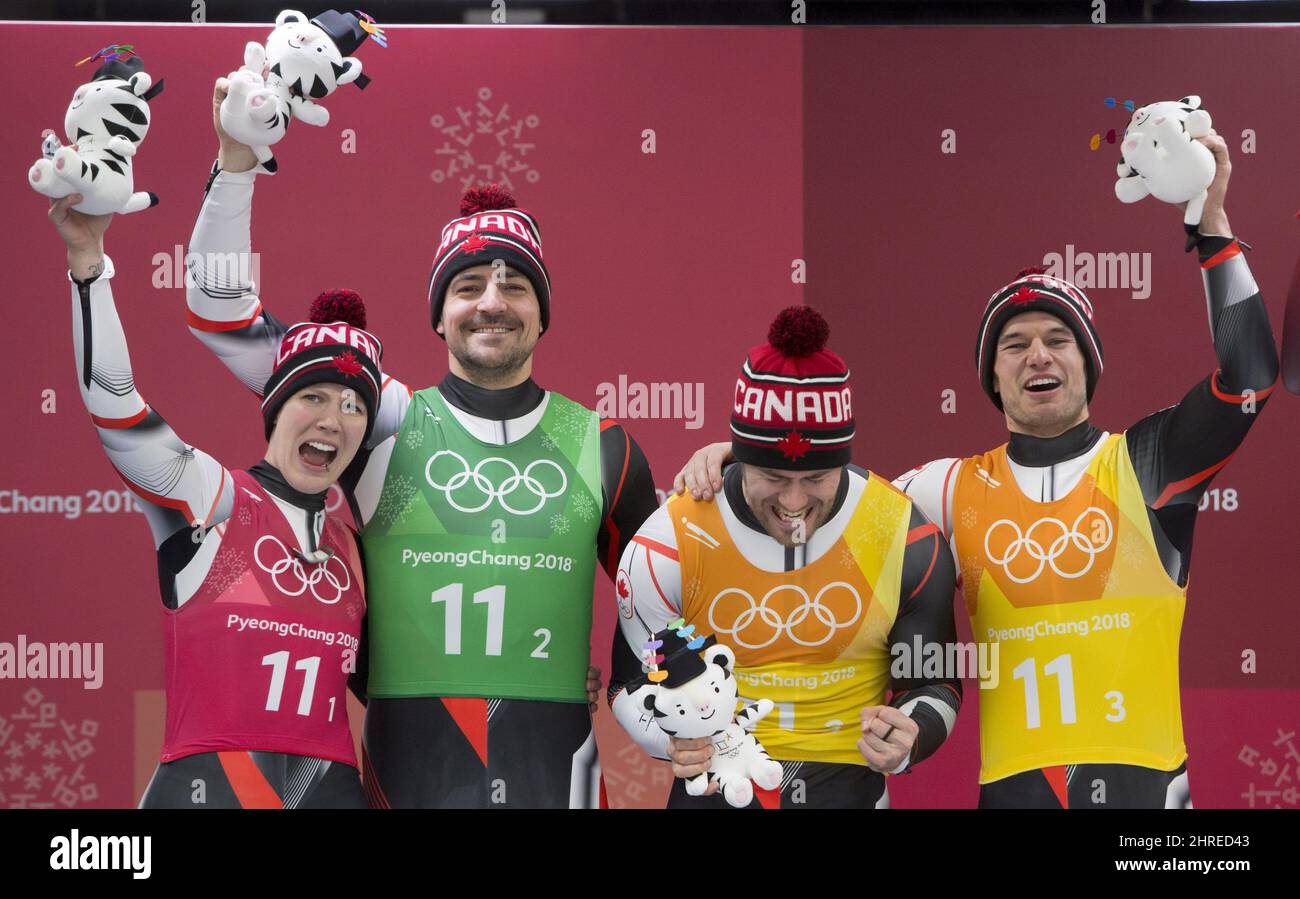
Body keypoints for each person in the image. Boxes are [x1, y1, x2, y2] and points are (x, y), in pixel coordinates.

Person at [676, 133, 1278, 808]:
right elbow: (811, 499)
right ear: (993, 376)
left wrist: (1213, 227)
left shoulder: (1145, 463)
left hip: (1150, 794)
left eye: (1059, 340)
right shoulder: (943, 488)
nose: (1038, 356)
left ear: (1089, 362)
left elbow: (1250, 377)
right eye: (1015, 345)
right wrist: (750, 459)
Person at [183, 78, 658, 808]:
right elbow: (219, 317)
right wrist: (237, 162)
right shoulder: (381, 418)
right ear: (439, 315)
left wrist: (724, 466)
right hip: (408, 767)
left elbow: (667, 602)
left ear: (543, 315)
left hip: (555, 768)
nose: (492, 303)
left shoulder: (605, 446)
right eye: (467, 285)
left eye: (515, 287)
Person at [50, 192, 386, 808]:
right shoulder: (212, 498)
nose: (335, 420)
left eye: (354, 406)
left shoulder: (355, 551)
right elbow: (114, 406)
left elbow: (403, 691)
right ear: (276, 406)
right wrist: (90, 266)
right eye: (313, 397)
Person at [611, 307, 962, 808]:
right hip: (720, 782)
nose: (794, 504)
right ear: (736, 455)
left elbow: (933, 682)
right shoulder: (668, 540)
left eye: (816, 478)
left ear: (843, 460)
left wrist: (914, 734)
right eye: (773, 478)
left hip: (850, 788)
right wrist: (670, 741)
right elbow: (627, 685)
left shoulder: (902, 534)